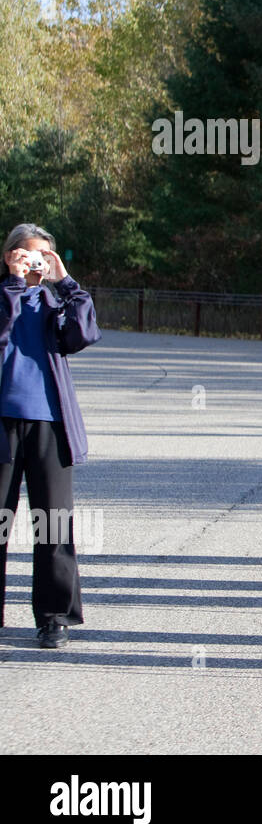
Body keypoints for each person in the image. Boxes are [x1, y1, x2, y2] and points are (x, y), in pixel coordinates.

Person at [0, 224, 101, 649]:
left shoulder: (52, 299)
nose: (33, 261)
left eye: (41, 255)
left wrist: (66, 283)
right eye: (25, 254)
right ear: (9, 256)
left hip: (49, 424)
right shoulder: (3, 293)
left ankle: (54, 617)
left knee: (53, 525)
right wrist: (12, 285)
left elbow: (84, 333)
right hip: (2, 422)